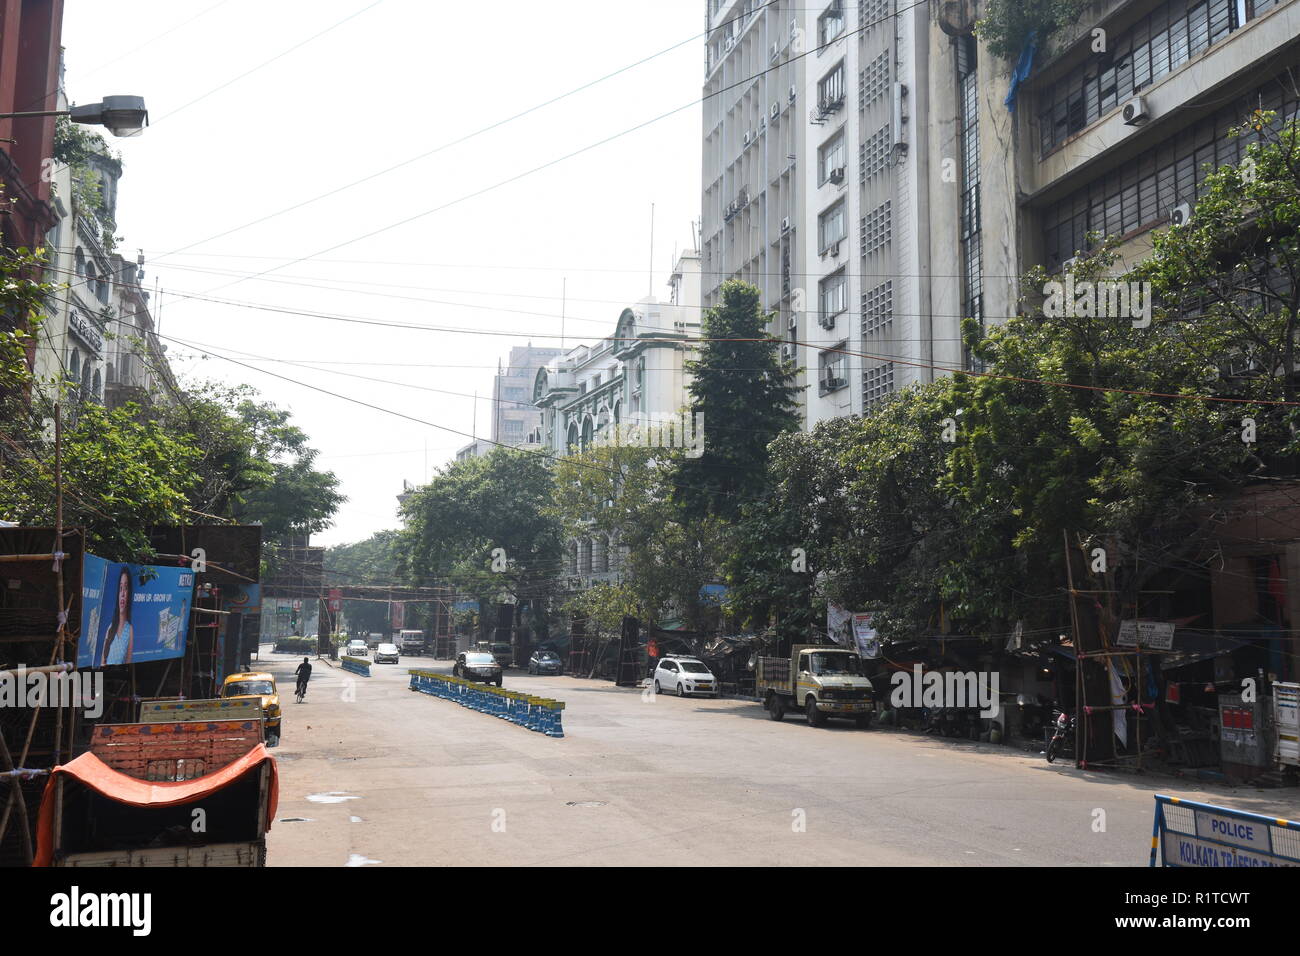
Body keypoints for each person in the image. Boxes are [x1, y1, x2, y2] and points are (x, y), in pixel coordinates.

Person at [100, 567, 135, 667]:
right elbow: (103, 661)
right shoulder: (110, 628)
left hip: (120, 675)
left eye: (126, 588)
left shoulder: (129, 630)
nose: (123, 594)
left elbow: (128, 662)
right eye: (120, 589)